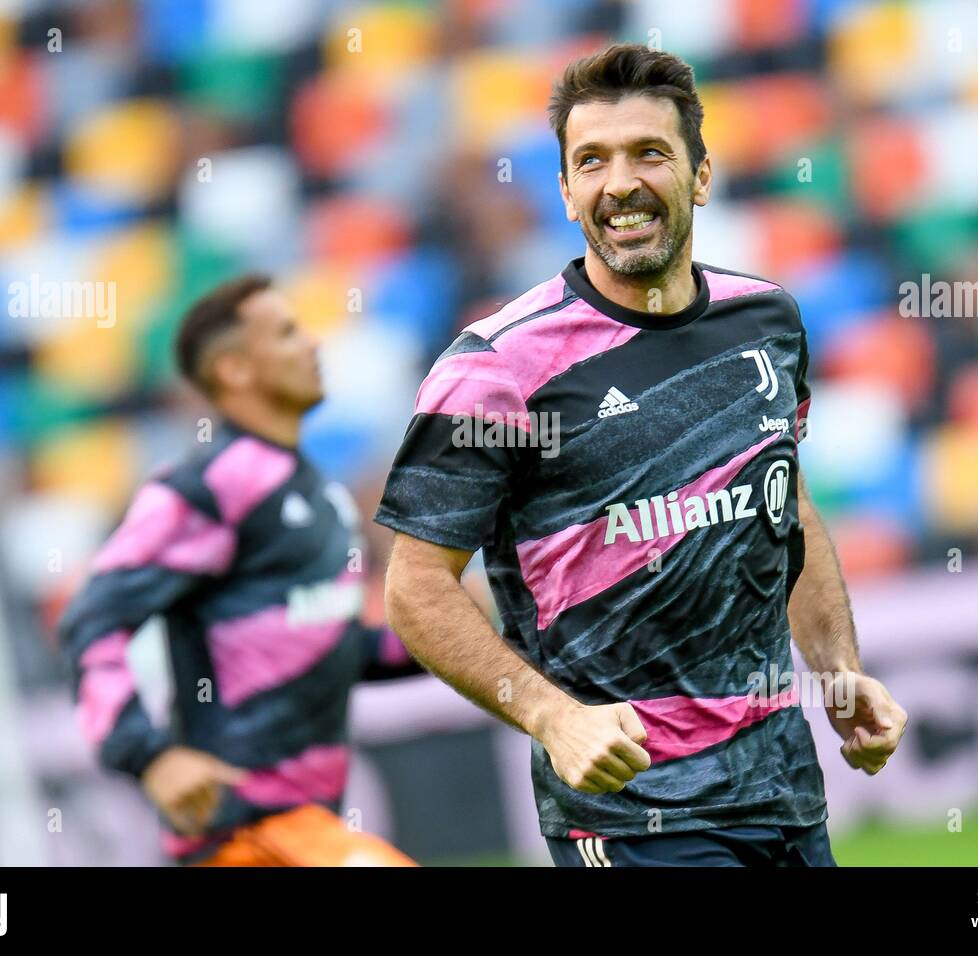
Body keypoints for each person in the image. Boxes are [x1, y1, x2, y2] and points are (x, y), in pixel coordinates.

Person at [376, 43, 907, 867]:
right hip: (632, 816)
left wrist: (839, 672)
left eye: (649, 153)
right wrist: (554, 717)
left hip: (785, 792)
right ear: (564, 191)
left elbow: (784, 504)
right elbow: (415, 588)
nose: (618, 182)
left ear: (700, 176)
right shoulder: (494, 371)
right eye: (591, 161)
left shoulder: (766, 321)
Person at [58, 274, 420, 866]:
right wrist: (149, 755)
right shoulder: (207, 487)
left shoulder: (318, 491)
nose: (313, 345)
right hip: (243, 835)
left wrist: (472, 632)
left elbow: (333, 645)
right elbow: (91, 619)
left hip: (306, 828)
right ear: (235, 371)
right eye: (285, 333)